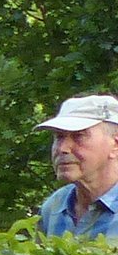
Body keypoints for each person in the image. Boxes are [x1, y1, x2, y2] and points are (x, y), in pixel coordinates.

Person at [34, 95, 118, 241]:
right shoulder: (54, 207)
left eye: (79, 136)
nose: (62, 148)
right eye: (59, 137)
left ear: (115, 145)